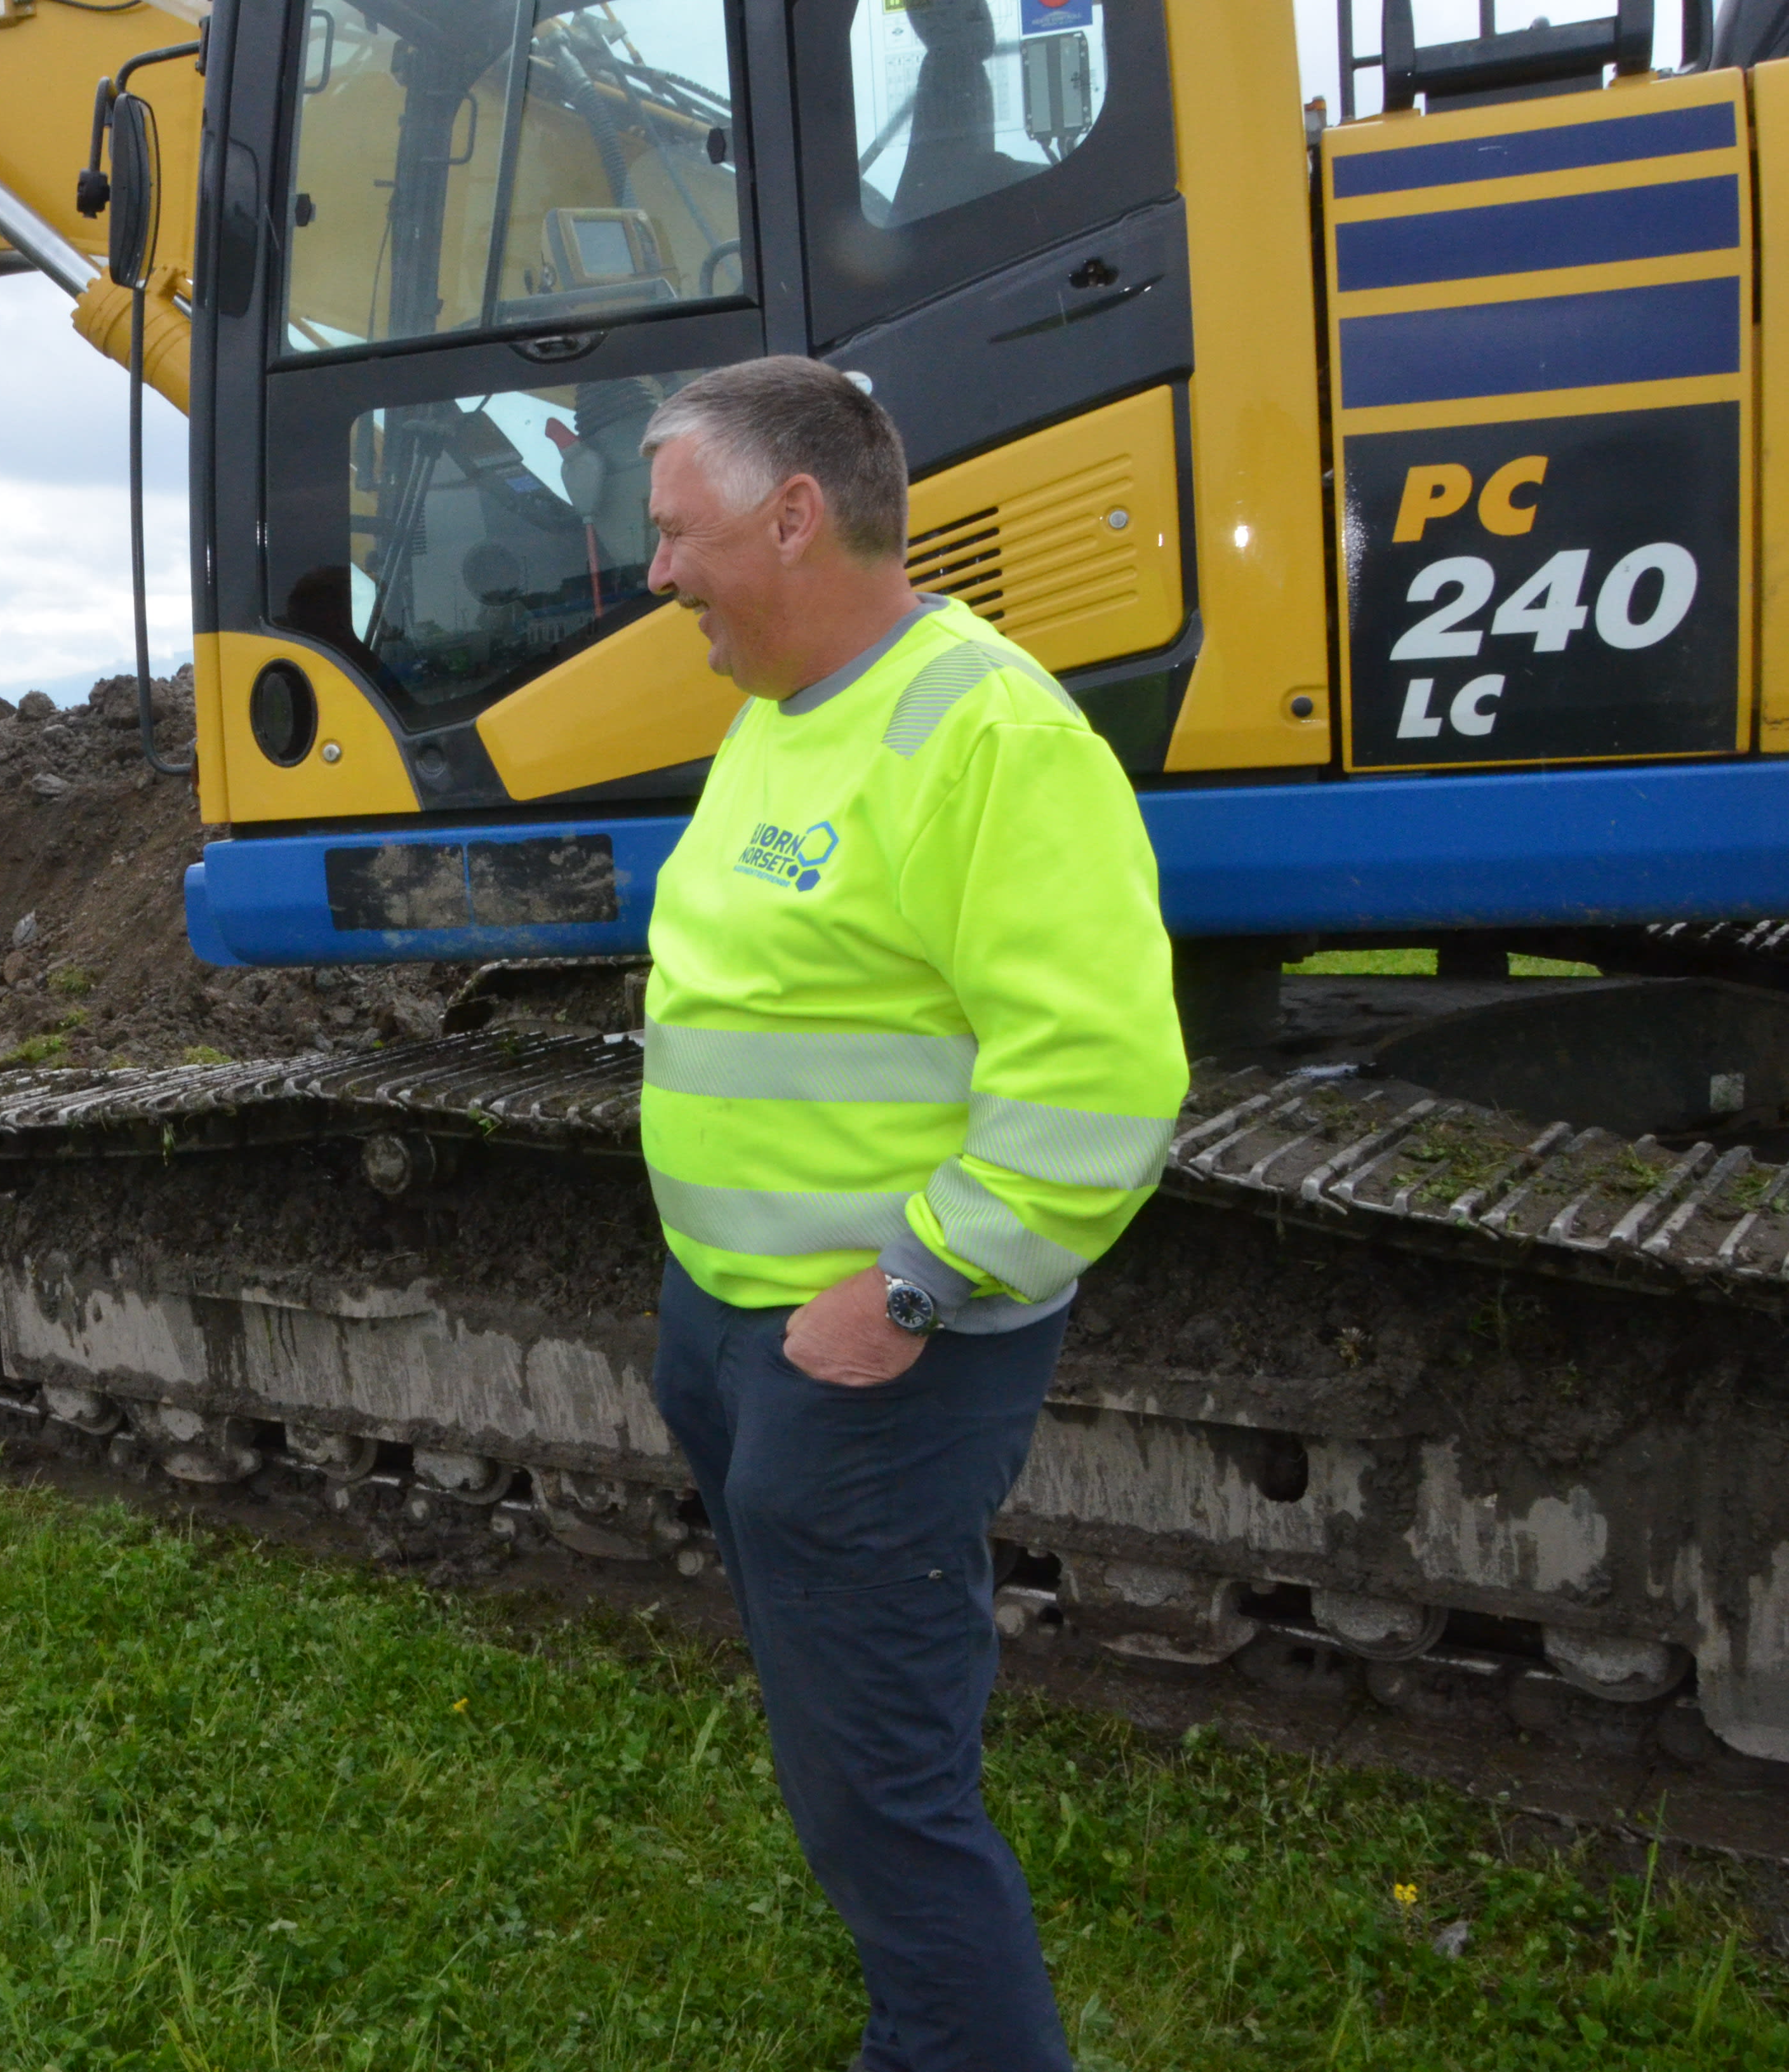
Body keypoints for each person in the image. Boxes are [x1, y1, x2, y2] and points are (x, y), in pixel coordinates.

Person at [633, 359, 1185, 2072]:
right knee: (840, 1748)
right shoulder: (778, 719)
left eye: (676, 533)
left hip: (872, 1359)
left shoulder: (995, 737)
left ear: (794, 514)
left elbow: (1098, 1094)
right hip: (739, 1334)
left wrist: (909, 1292)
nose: (658, 577)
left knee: (884, 1786)